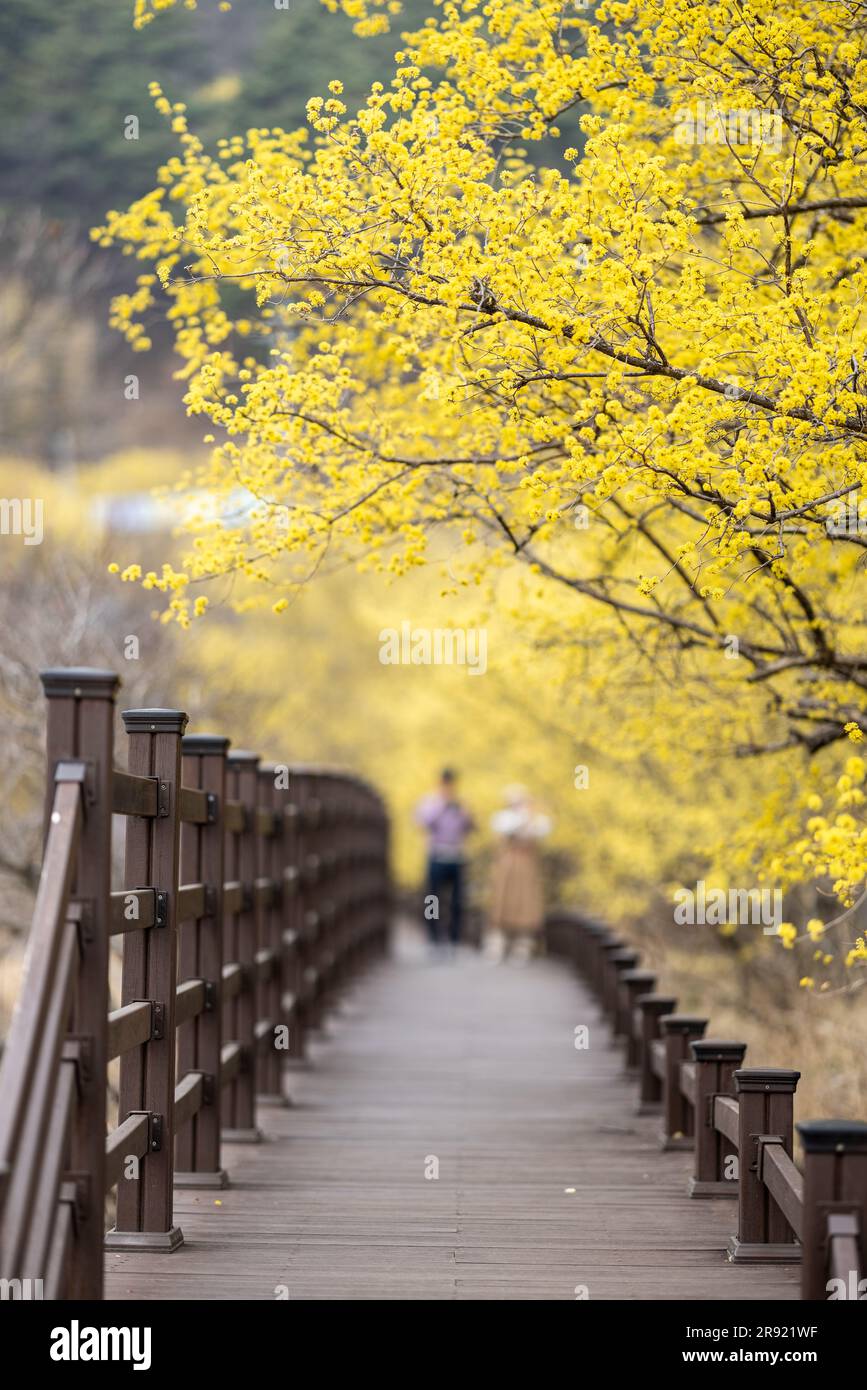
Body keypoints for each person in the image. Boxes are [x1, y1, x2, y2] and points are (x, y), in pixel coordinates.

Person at [487, 785, 552, 963]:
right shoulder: (504, 818)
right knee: (503, 902)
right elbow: (507, 828)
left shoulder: (536, 820)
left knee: (526, 903)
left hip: (527, 867)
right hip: (508, 866)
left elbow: (543, 829)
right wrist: (524, 818)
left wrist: (529, 818)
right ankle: (498, 944)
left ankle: (523, 945)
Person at [415, 768, 476, 953]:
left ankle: (454, 938)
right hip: (437, 854)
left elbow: (471, 827)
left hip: (457, 855)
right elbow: (423, 823)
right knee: (432, 898)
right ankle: (433, 937)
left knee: (457, 900)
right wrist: (442, 806)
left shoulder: (460, 803)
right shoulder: (430, 802)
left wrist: (465, 814)